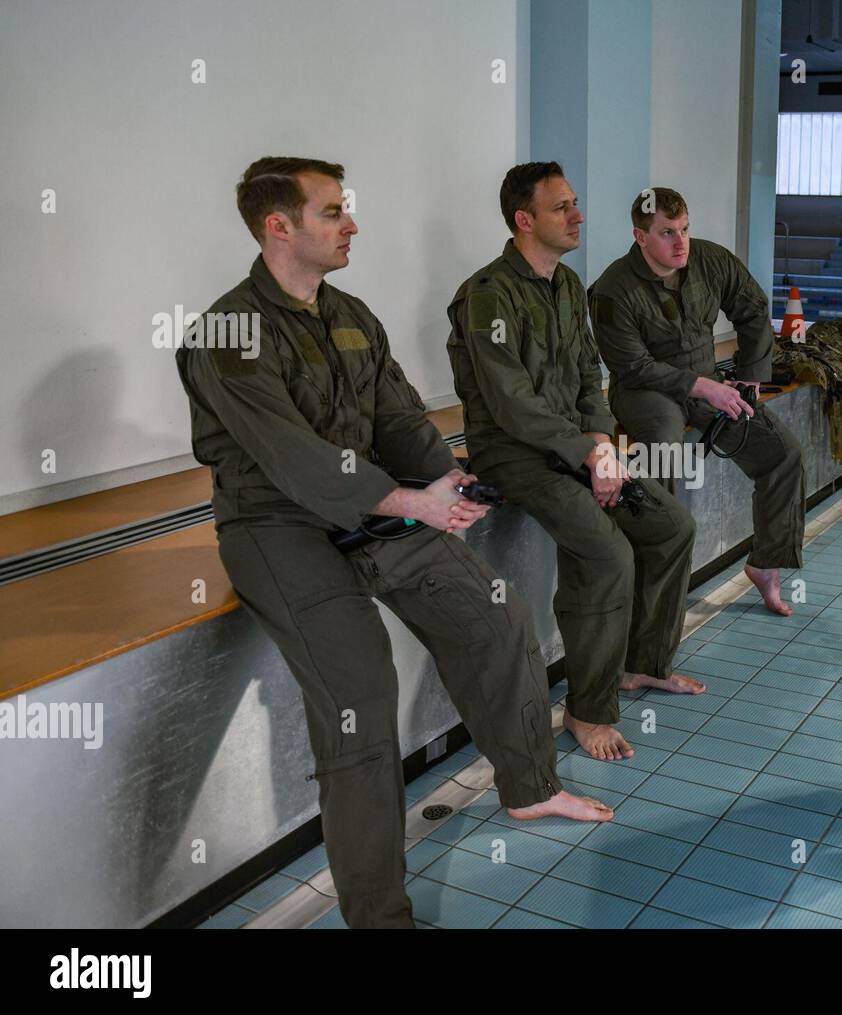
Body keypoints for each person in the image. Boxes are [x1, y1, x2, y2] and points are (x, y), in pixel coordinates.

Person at [176, 157, 610, 928]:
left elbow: (402, 420)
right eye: (333, 212)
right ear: (280, 226)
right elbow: (289, 456)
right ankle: (379, 917)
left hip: (374, 505)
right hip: (276, 524)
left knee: (494, 616)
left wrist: (451, 484)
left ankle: (530, 786)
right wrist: (409, 499)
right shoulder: (227, 330)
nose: (351, 225)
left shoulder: (351, 315)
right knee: (360, 696)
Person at [446, 162, 702, 764]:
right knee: (606, 552)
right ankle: (587, 708)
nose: (578, 216)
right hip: (516, 455)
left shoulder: (566, 286)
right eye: (562, 207)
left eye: (575, 203)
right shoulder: (487, 296)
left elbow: (590, 375)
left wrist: (602, 442)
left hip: (577, 449)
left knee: (671, 526)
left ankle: (643, 664)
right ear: (524, 219)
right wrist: (589, 452)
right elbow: (512, 403)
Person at [589, 187, 805, 616]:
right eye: (667, 232)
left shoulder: (708, 259)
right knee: (665, 452)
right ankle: (655, 591)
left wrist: (750, 373)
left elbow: (752, 307)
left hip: (708, 384)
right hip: (648, 392)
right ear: (640, 236)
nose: (680, 241)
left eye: (685, 229)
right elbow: (634, 367)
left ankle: (766, 563)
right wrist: (705, 387)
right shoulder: (613, 289)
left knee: (783, 454)